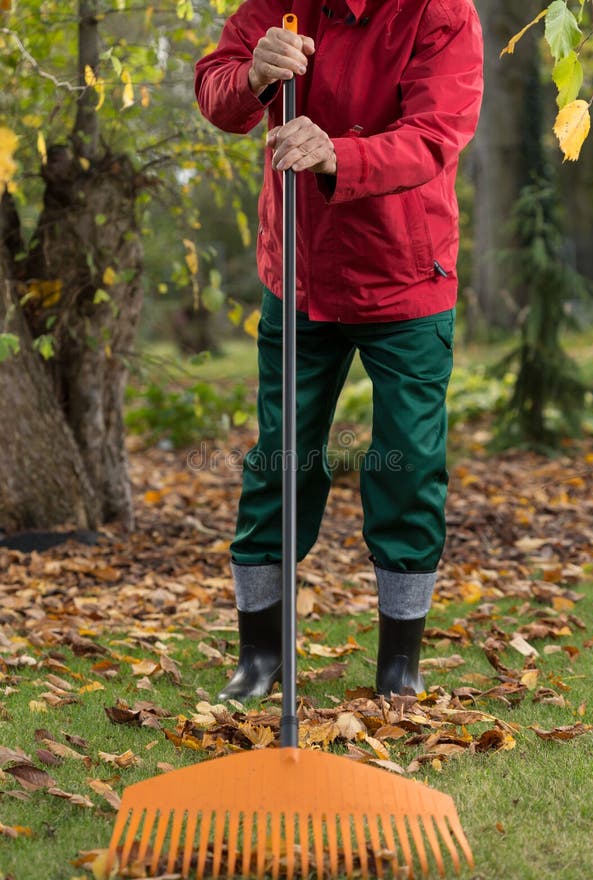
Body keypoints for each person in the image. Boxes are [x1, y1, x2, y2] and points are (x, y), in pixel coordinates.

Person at [195, 0, 484, 700]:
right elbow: (217, 87)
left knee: (407, 466)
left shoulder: (440, 12)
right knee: (280, 460)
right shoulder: (278, 5)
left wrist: (338, 153)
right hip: (300, 270)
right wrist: (253, 78)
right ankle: (260, 656)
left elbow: (435, 135)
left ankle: (399, 667)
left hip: (404, 275)